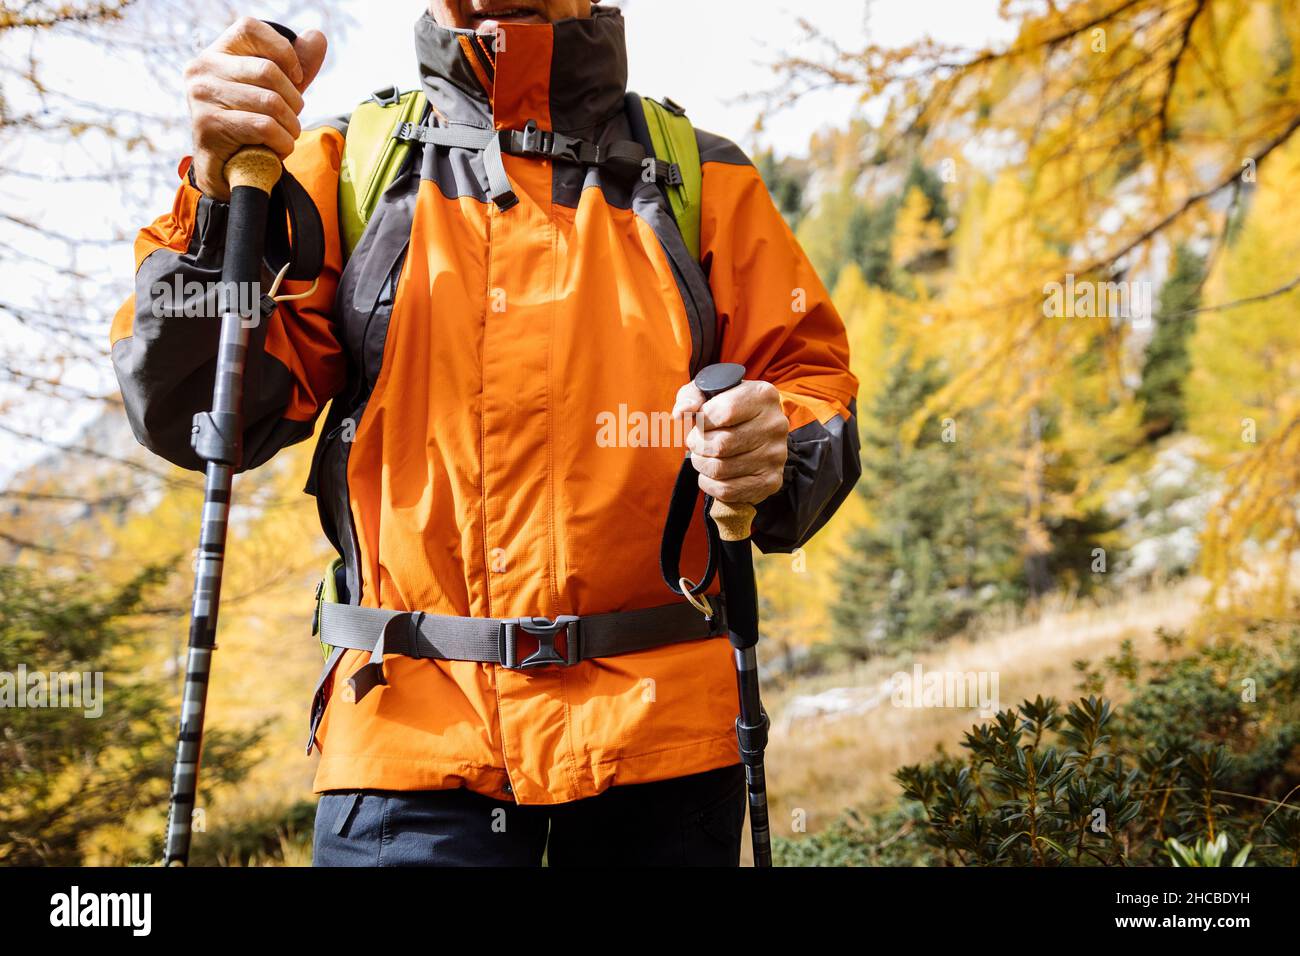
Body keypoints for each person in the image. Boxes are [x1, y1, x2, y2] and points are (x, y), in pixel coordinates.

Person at [110, 0, 860, 866]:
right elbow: (203, 413)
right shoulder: (344, 170)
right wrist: (213, 205)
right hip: (407, 748)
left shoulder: (702, 178)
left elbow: (812, 388)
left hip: (660, 742)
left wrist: (775, 446)